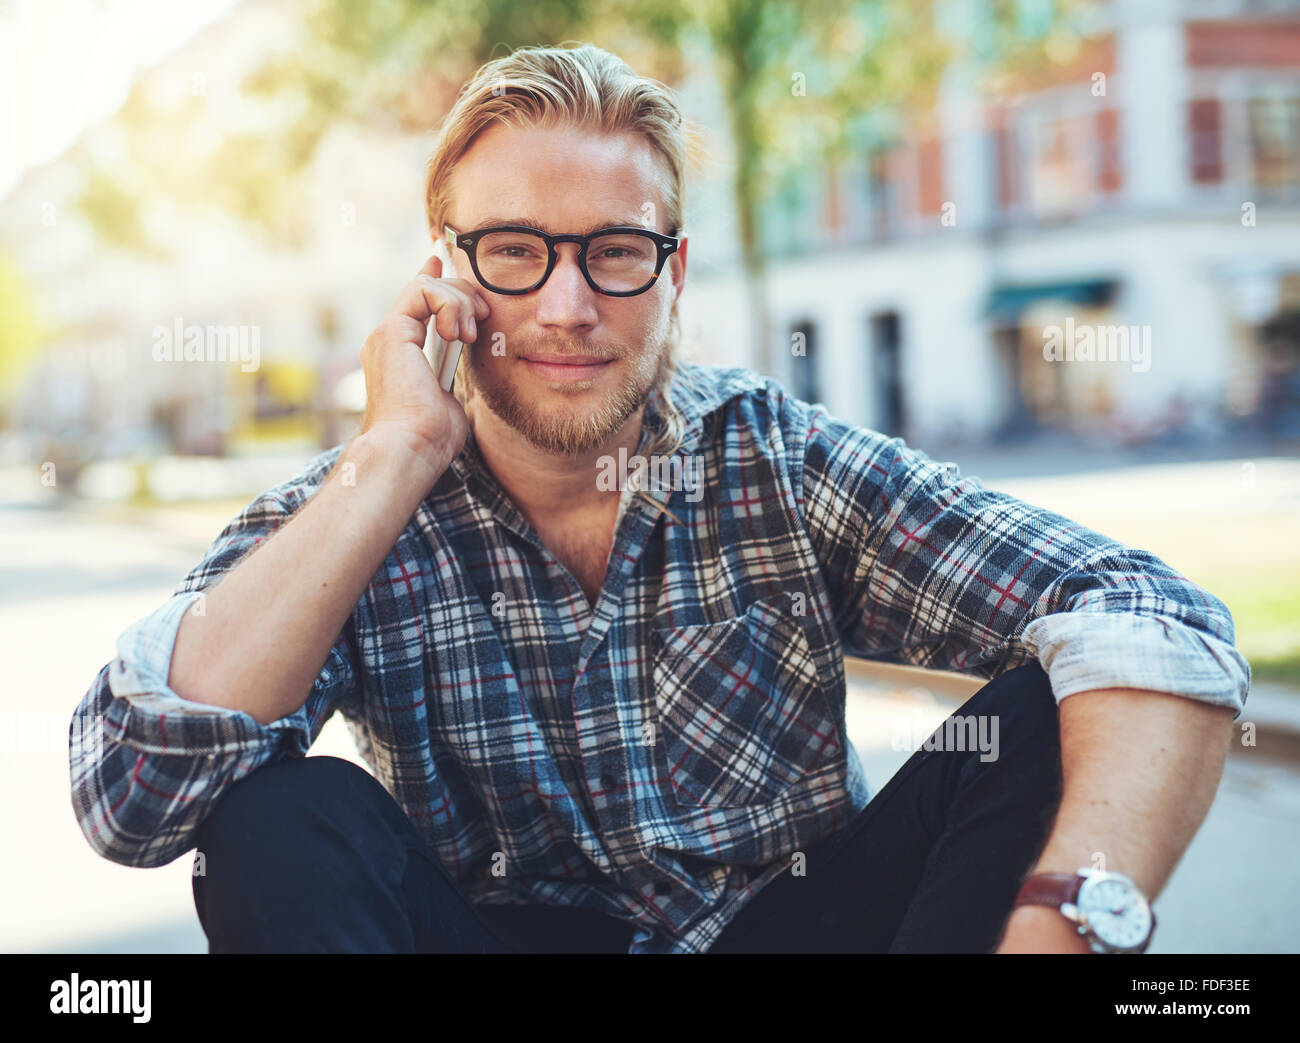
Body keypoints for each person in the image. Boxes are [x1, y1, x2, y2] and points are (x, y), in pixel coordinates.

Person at [69, 43, 1248, 955]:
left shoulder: (771, 459)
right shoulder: (366, 504)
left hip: (795, 931)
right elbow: (134, 795)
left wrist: (1059, 925)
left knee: (1058, 698)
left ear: (673, 272)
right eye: (515, 250)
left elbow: (1157, 616)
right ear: (445, 271)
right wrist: (387, 458)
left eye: (615, 251)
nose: (569, 305)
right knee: (280, 817)